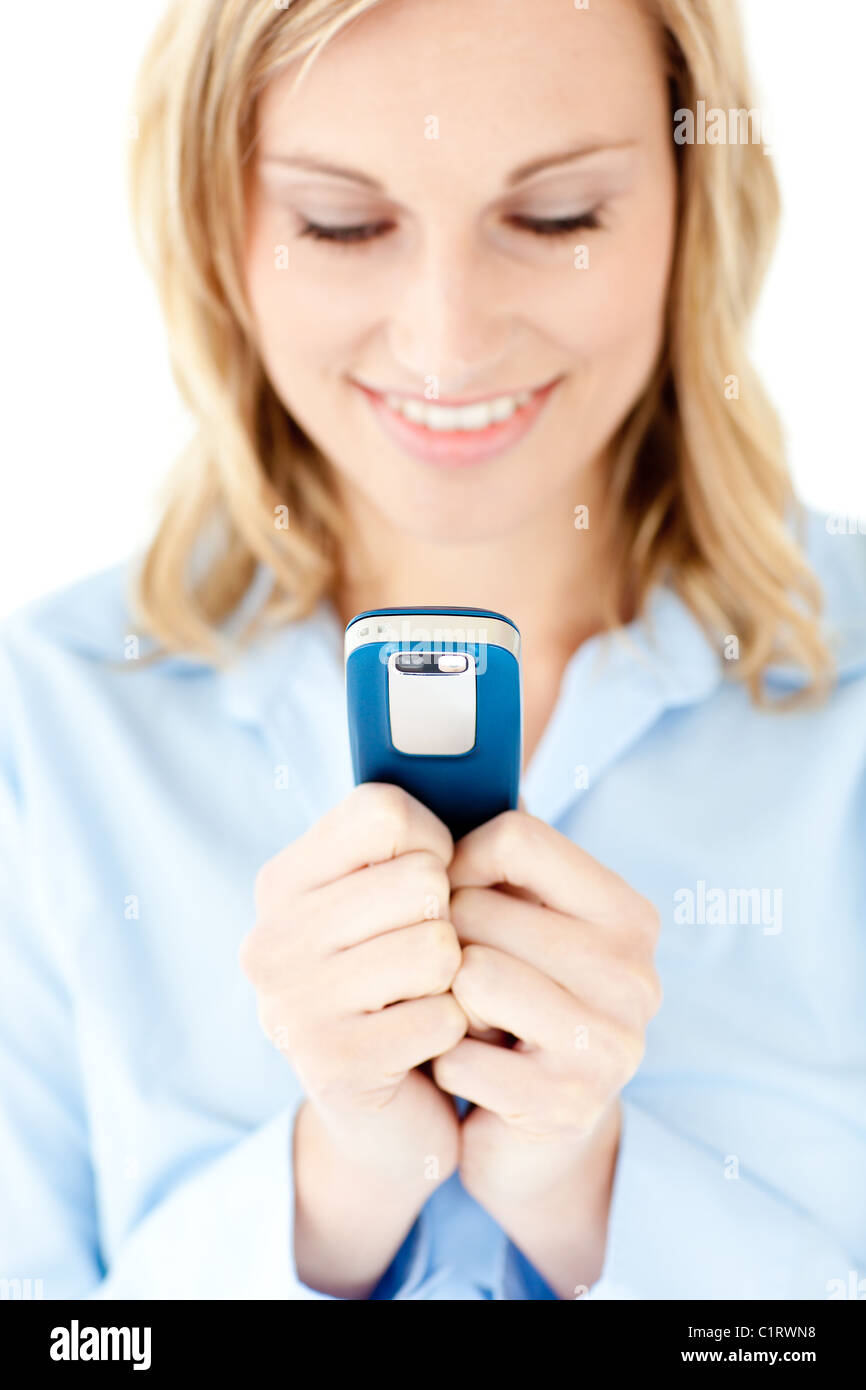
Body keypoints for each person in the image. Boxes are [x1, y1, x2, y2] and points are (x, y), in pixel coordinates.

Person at [1, 0, 864, 1301]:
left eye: (558, 216)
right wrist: (332, 1186)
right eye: (341, 224)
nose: (447, 341)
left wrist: (591, 1193)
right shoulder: (47, 723)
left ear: (697, 205)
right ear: (212, 223)